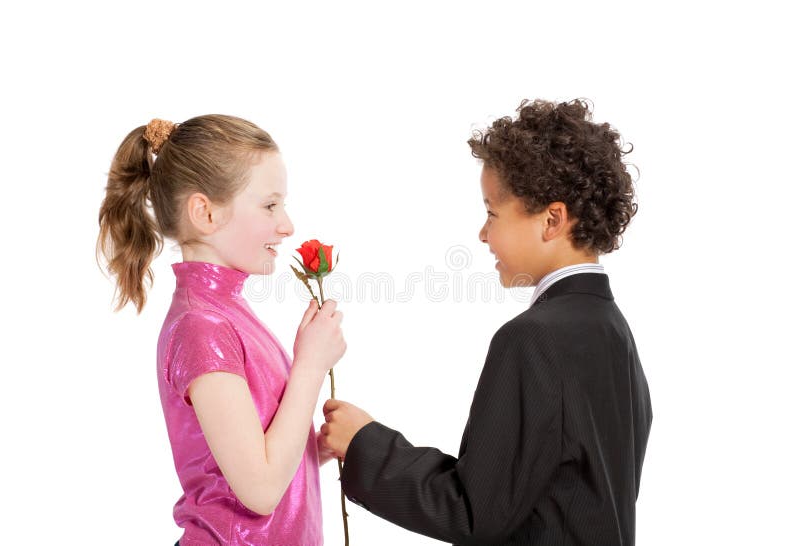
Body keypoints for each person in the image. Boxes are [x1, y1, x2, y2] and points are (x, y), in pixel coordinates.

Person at [320, 99, 652, 545]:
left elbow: (474, 510)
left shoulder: (534, 337)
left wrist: (364, 444)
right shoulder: (612, 328)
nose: (483, 233)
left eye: (492, 213)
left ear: (552, 219)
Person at [97, 115, 345, 545]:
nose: (287, 225)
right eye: (270, 205)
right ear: (205, 212)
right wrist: (310, 367)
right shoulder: (202, 325)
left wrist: (312, 447)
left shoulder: (227, 312)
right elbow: (261, 490)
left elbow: (250, 459)